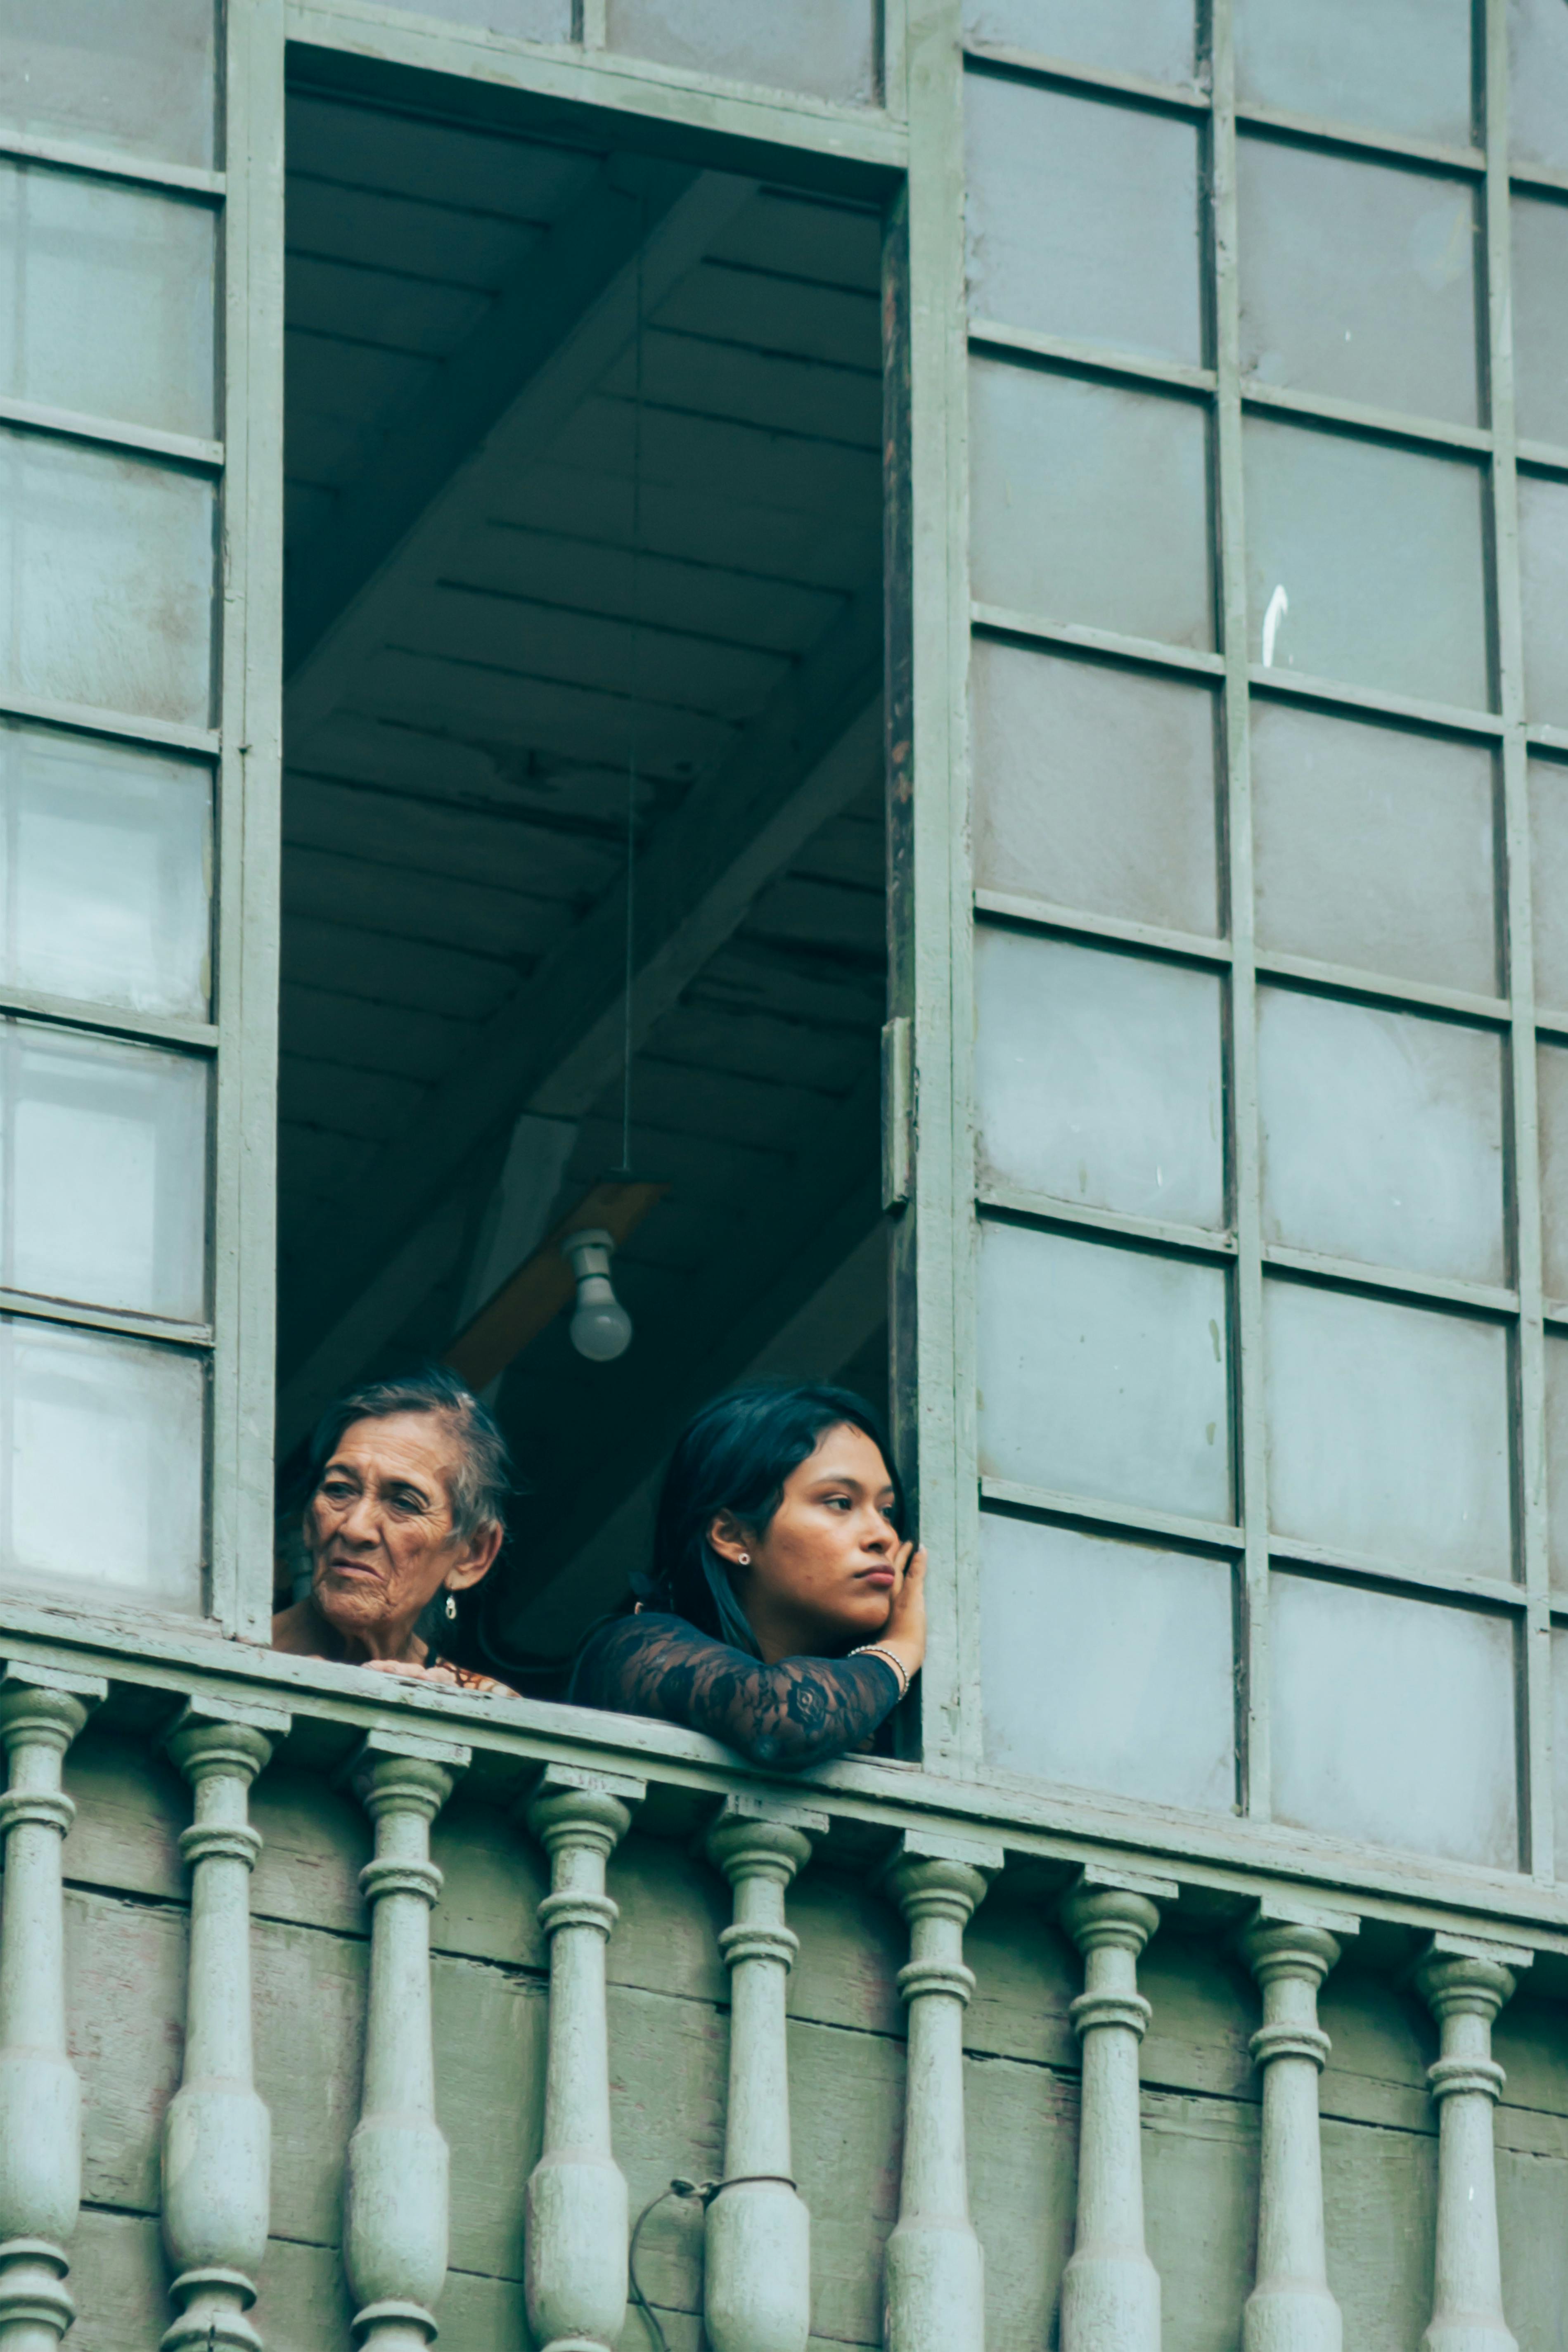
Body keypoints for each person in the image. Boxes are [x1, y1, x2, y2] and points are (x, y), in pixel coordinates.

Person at [569, 1382, 926, 1770]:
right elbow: (784, 1721)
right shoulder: (637, 1652)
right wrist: (899, 1651)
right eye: (841, 1502)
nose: (885, 1536)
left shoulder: (905, 1717)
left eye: (887, 1510)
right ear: (733, 1535)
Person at [272, 1365, 518, 1695]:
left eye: (404, 1503)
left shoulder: (484, 1704)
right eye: (340, 1489)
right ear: (308, 1520)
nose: (356, 1528)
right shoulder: (225, 1653)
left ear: (471, 1555)